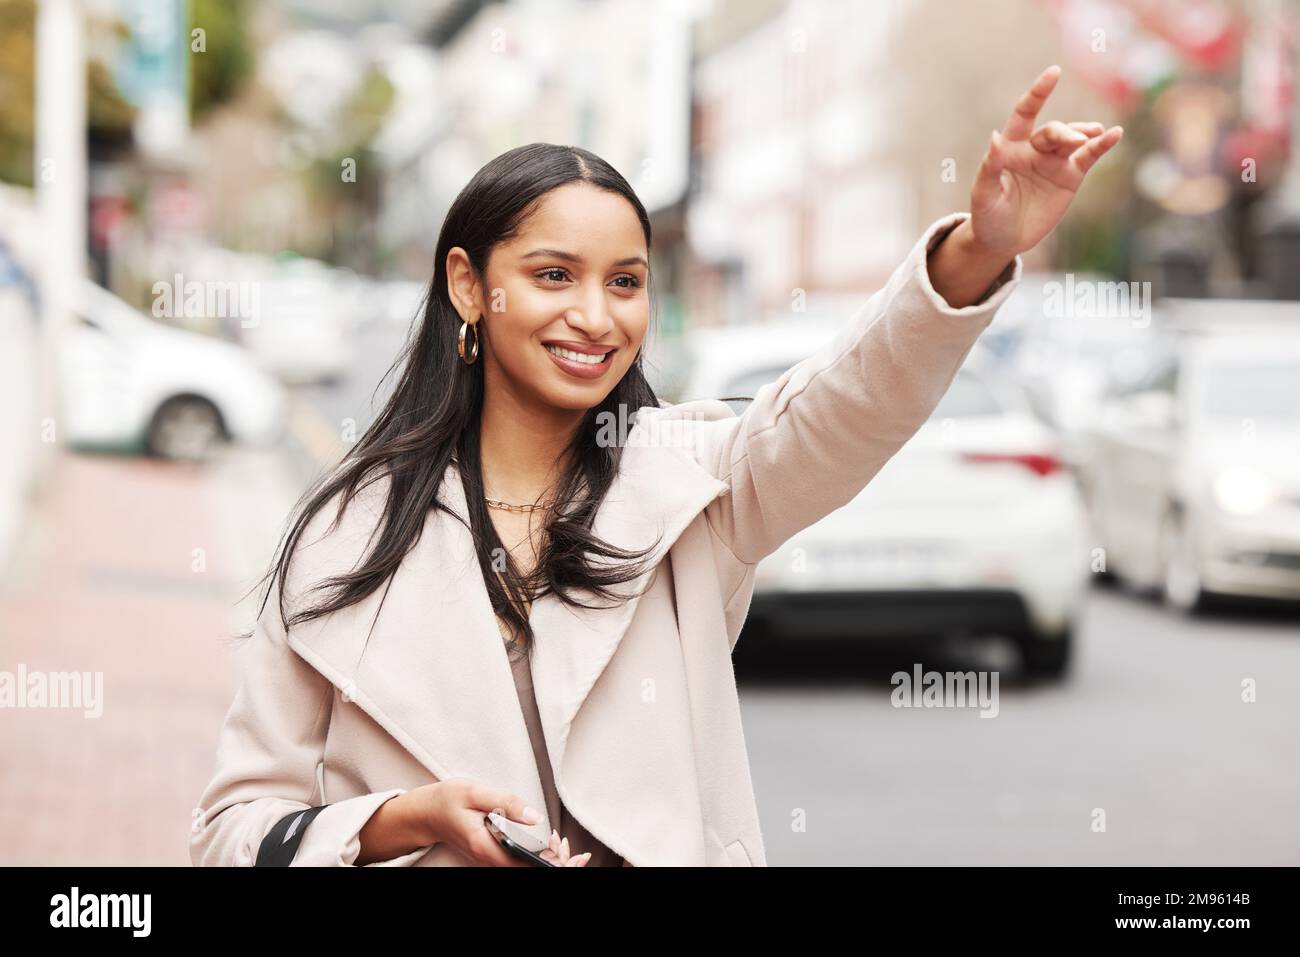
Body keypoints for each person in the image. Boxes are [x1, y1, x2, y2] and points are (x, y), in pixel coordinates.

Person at [190, 65, 1121, 867]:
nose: (597, 317)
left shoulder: (693, 484)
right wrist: (403, 820)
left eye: (625, 282)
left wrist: (980, 250)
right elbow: (235, 830)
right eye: (555, 275)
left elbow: (852, 397)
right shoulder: (345, 530)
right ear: (471, 285)